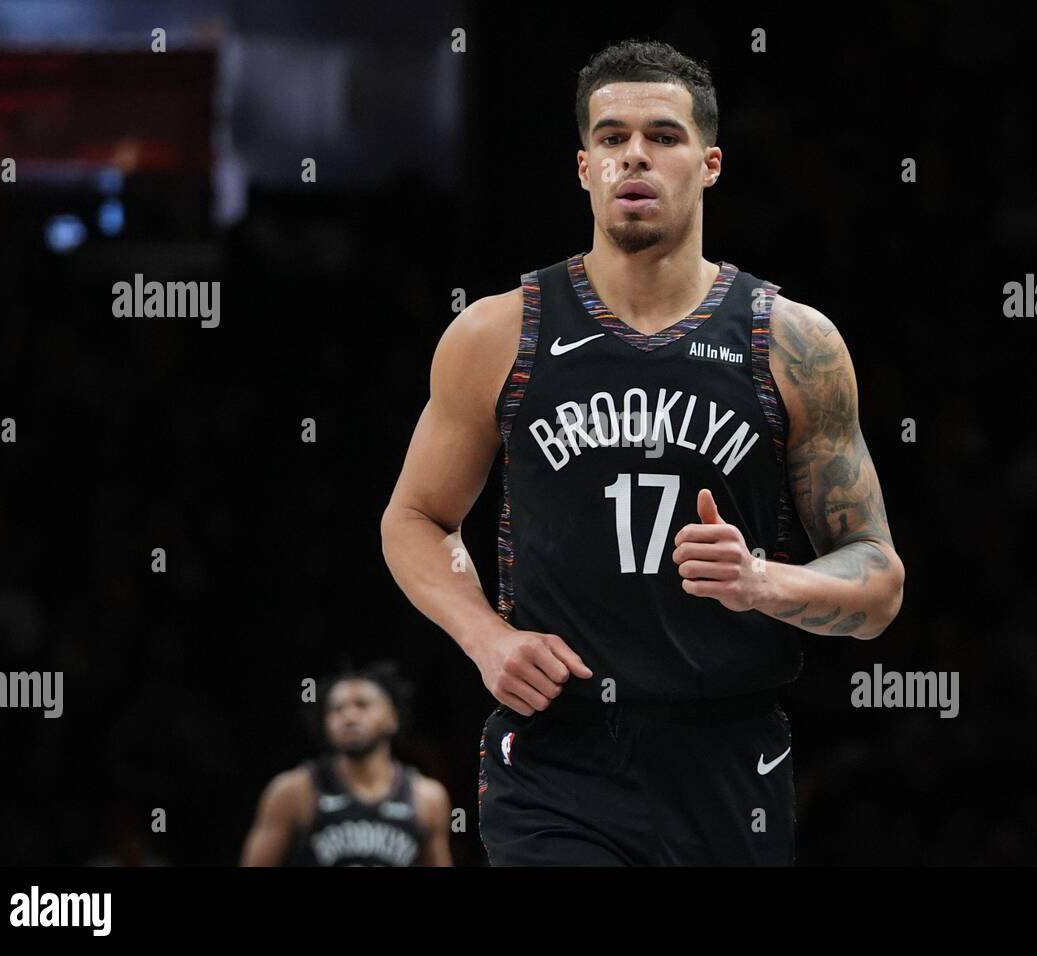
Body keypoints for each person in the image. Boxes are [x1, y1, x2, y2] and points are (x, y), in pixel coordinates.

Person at [381, 38, 904, 865]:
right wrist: (487, 637)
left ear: (711, 162)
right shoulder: (496, 332)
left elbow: (876, 583)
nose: (635, 153)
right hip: (556, 753)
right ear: (584, 166)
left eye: (663, 135)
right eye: (612, 136)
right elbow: (415, 517)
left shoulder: (793, 343)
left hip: (726, 749)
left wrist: (761, 580)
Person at [240, 666, 452, 866]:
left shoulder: (428, 798)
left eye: (362, 704)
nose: (348, 716)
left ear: (392, 717)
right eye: (336, 709)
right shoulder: (293, 792)